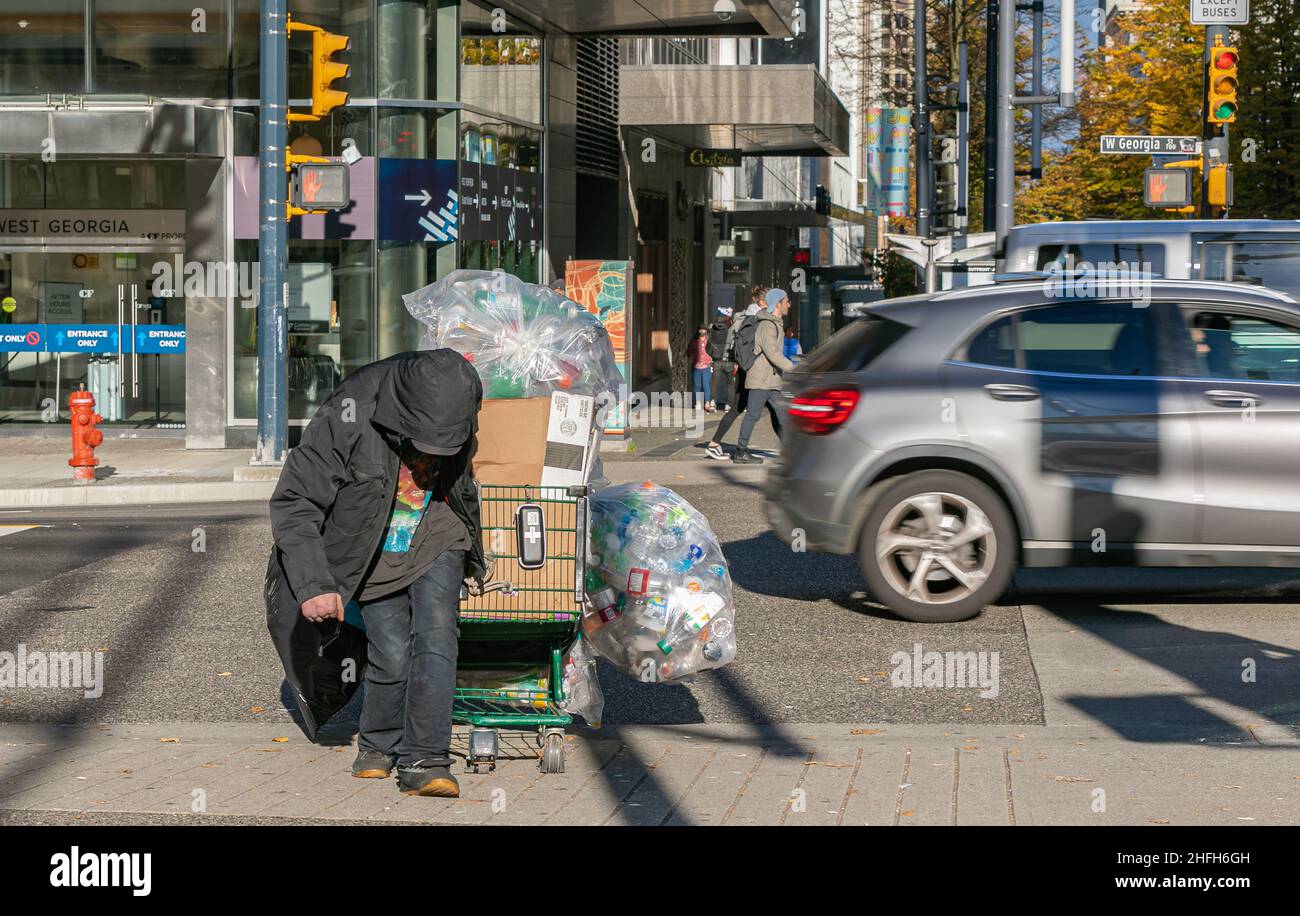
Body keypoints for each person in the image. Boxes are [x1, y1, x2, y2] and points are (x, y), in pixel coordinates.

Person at [264, 349, 487, 799]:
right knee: (390, 648)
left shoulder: (461, 399)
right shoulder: (347, 413)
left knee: (438, 635)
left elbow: (462, 481)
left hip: (436, 530)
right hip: (368, 544)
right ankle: (378, 744)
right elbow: (295, 502)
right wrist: (315, 585)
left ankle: (426, 759)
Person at [703, 285, 767, 460]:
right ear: (762, 301)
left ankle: (715, 443)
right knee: (769, 408)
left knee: (739, 407)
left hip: (743, 367)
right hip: (754, 369)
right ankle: (740, 449)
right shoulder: (756, 318)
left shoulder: (741, 316)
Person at [733, 288, 795, 465]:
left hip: (771, 379)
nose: (788, 305)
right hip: (761, 379)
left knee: (782, 414)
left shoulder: (774, 323)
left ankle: (790, 452)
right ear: (778, 304)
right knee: (753, 415)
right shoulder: (767, 325)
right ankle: (741, 452)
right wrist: (793, 368)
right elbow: (773, 354)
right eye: (786, 301)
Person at [688, 326, 715, 412]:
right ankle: (698, 402)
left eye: (704, 329)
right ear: (698, 330)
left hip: (707, 366)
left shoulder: (709, 340)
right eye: (700, 329)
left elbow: (715, 351)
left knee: (706, 384)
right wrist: (691, 355)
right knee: (697, 385)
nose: (702, 331)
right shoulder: (694, 340)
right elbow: (689, 351)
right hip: (697, 366)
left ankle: (707, 402)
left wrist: (712, 358)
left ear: (706, 331)